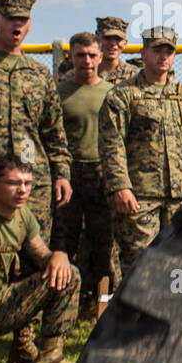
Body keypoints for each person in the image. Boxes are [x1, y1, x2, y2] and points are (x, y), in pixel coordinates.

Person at [0, 0, 73, 363]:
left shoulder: (38, 74)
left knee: (40, 262)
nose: (17, 25)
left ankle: (28, 345)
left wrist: (62, 173)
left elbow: (54, 131)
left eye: (23, 20)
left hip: (29, 186)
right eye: (9, 17)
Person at [99, 27, 182, 276]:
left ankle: (173, 313)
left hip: (179, 198)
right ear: (143, 53)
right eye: (157, 51)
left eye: (168, 51)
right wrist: (120, 186)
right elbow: (112, 145)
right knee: (140, 266)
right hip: (140, 198)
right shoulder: (123, 95)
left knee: (179, 263)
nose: (163, 56)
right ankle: (135, 315)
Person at [0, 154, 80, 363]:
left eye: (27, 183)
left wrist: (56, 257)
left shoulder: (22, 215)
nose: (22, 190)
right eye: (14, 183)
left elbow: (41, 253)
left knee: (68, 275)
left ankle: (49, 361)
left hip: (0, 304)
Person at [52, 32, 118, 318]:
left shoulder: (112, 92)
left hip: (102, 174)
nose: (87, 61)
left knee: (103, 243)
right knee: (65, 243)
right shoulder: (58, 92)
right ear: (71, 57)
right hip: (69, 175)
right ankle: (64, 308)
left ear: (101, 57)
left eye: (92, 55)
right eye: (80, 55)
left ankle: (100, 306)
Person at [95, 17, 140, 85]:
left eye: (117, 39)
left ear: (125, 43)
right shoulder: (85, 72)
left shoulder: (135, 75)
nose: (113, 43)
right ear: (96, 40)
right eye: (107, 38)